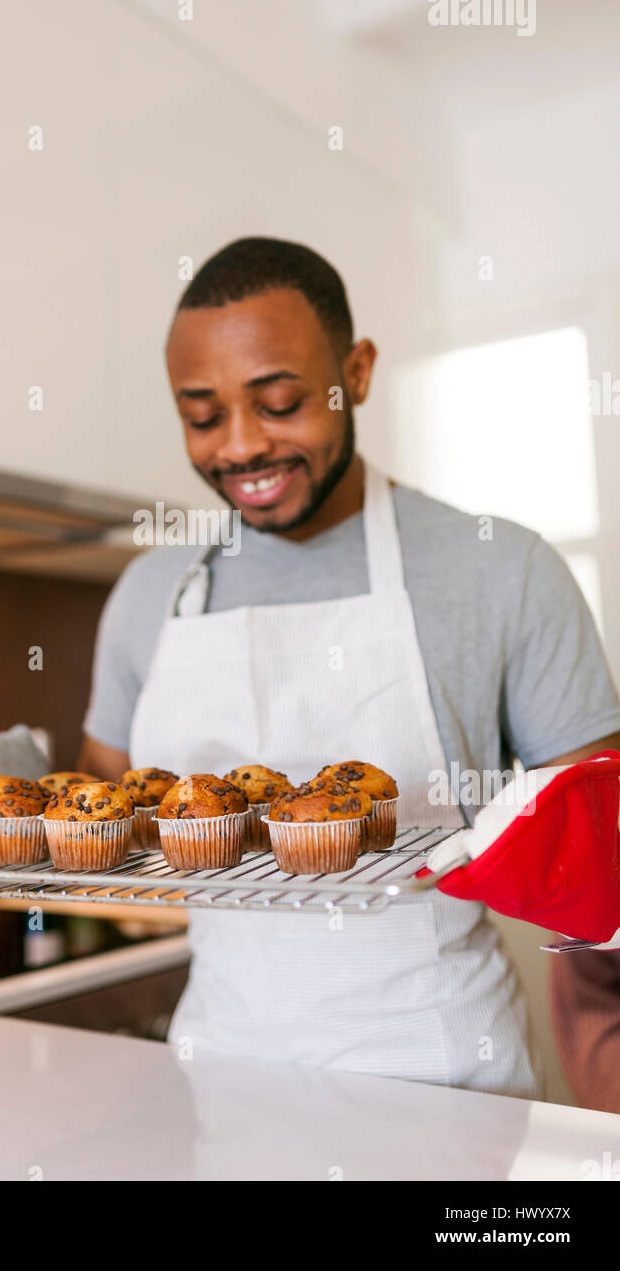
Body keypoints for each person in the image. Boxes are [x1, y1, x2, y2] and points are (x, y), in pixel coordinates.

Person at [76, 236, 620, 1098]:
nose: (242, 447)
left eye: (280, 400)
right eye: (203, 416)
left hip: (445, 1085)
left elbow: (604, 870)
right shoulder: (151, 593)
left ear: (356, 373)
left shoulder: (501, 570)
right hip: (219, 1079)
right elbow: (100, 800)